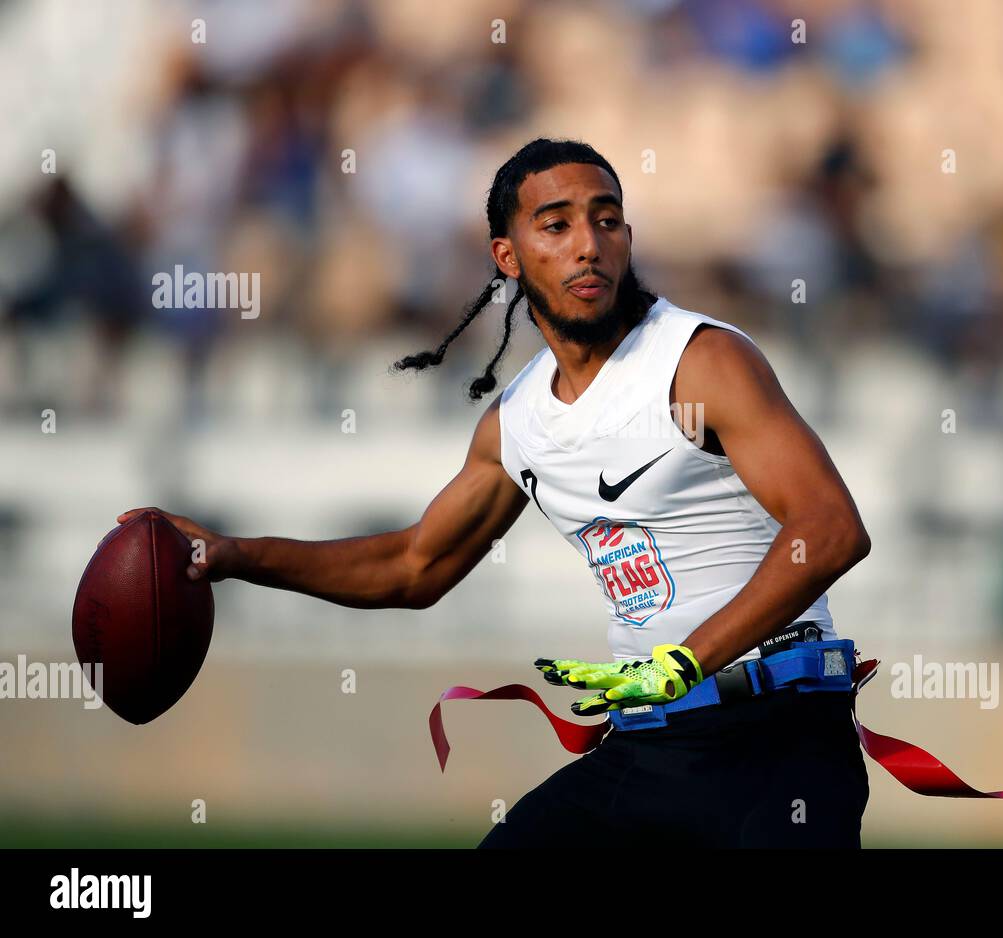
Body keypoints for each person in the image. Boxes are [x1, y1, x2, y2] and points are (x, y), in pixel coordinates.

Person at [118, 137, 873, 848]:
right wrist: (234, 555)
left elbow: (831, 528)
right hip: (656, 743)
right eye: (557, 224)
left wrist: (680, 662)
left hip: (781, 740)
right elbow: (414, 567)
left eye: (607, 219)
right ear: (507, 257)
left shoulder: (700, 361)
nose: (588, 243)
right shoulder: (517, 424)